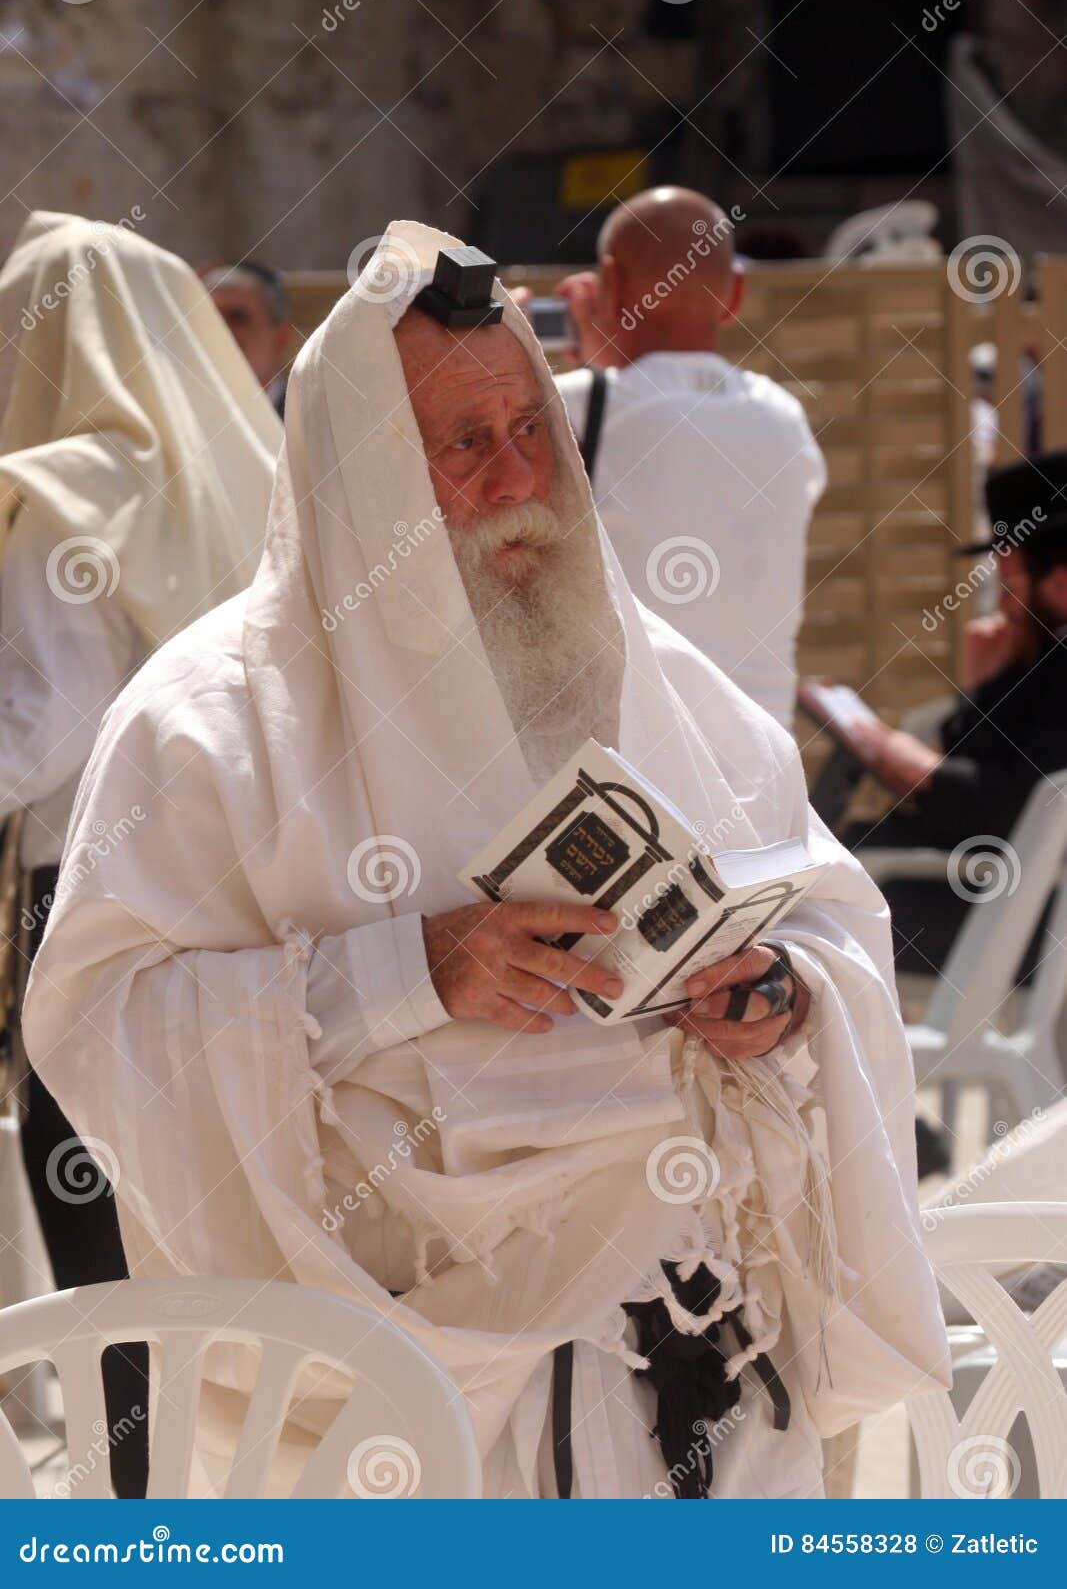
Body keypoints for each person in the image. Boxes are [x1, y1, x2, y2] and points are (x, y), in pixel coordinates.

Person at [24, 221, 947, 1500]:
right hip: (391, 1423)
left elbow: (829, 926)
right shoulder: (212, 721)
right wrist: (403, 974)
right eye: (461, 444)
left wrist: (780, 993)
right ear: (360, 473)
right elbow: (99, 1022)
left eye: (529, 428)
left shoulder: (659, 676)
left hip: (708, 1379)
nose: (516, 477)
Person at [0, 210, 280, 1496]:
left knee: (111, 1275)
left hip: (94, 933)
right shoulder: (254, 475)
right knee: (241, 1256)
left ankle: (139, 1528)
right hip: (263, 923)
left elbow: (31, 732)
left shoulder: (58, 498)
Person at [552, 187, 826, 731]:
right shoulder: (784, 416)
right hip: (763, 754)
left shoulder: (570, 409)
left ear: (611, 282)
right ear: (737, 293)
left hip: (636, 762)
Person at [846, 453, 1067, 978]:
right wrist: (987, 684)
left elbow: (1006, 807)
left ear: (1058, 579)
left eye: (1013, 576)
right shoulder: (1038, 660)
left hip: (1013, 919)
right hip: (990, 899)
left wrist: (906, 762)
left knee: (817, 920)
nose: (1004, 596)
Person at [203, 259, 294, 416]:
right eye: (211, 318)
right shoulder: (175, 420)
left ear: (281, 338)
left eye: (237, 317)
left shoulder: (312, 419)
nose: (221, 330)